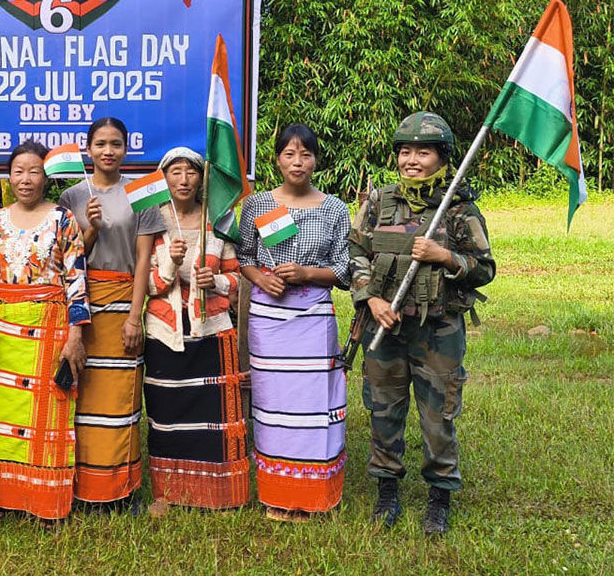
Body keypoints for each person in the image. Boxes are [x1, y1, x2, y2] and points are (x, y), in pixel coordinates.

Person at [349, 112, 495, 536]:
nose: (412, 160)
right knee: (383, 410)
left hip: (438, 331)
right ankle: (387, 492)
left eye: (423, 152)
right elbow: (355, 253)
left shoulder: (459, 208)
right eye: (406, 151)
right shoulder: (379, 202)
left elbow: (484, 268)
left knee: (438, 414)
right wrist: (371, 297)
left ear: (442, 157)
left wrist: (445, 257)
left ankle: (439, 498)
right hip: (385, 327)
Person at [237, 124, 350, 520]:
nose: (297, 162)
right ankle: (278, 494)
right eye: (289, 154)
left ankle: (315, 494)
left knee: (315, 403)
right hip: (269, 319)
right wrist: (261, 279)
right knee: (272, 404)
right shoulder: (258, 205)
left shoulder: (335, 208)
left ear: (316, 160)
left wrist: (306, 274)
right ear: (277, 159)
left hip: (313, 319)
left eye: (305, 154)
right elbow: (244, 256)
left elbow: (344, 268)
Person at [0, 141, 89, 523]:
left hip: (49, 329)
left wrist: (75, 336)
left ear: (46, 177)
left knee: (48, 418)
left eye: (34, 171)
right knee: (2, 416)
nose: (25, 179)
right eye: (18, 171)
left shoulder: (63, 218)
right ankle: (5, 499)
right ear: (8, 176)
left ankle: (47, 502)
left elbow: (76, 279)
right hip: (4, 333)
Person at [58, 117, 165, 506]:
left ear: (126, 148)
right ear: (88, 149)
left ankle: (120, 490)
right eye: (100, 143)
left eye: (116, 144)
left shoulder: (142, 194)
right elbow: (68, 260)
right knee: (82, 400)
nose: (108, 151)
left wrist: (134, 315)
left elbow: (142, 261)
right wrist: (91, 229)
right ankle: (82, 488)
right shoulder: (71, 197)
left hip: (124, 301)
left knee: (121, 401)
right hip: (82, 306)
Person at [143, 147, 248, 516]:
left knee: (213, 417)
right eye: (175, 172)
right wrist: (170, 265)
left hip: (212, 329)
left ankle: (218, 495)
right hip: (164, 331)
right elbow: (147, 286)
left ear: (202, 178)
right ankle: (168, 494)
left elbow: (237, 278)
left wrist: (216, 280)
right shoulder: (153, 223)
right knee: (167, 416)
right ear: (164, 178)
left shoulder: (217, 221)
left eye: (191, 171)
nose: (184, 179)